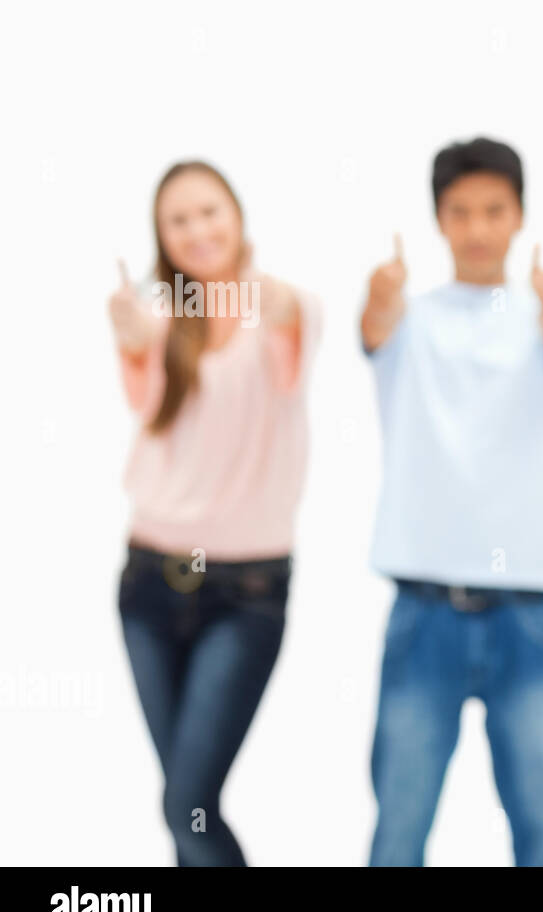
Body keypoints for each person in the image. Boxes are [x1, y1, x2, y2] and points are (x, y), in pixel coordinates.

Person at [361, 136, 543, 866]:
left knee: (540, 836)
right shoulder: (407, 316)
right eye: (461, 211)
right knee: (398, 830)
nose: (479, 227)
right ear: (438, 218)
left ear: (520, 214)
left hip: (525, 612)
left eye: (494, 209)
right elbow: (372, 332)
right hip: (422, 608)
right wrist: (378, 297)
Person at [110, 159, 322, 865]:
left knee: (187, 806)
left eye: (209, 212)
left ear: (237, 217)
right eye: (178, 220)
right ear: (161, 239)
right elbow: (146, 406)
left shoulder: (279, 310)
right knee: (183, 805)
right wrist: (135, 337)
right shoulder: (162, 321)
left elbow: (292, 312)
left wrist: (243, 288)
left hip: (246, 592)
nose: (197, 230)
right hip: (146, 582)